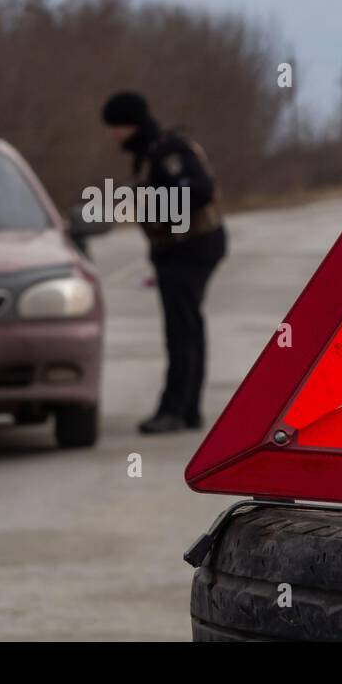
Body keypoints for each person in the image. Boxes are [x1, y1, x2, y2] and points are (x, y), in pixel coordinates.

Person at [101, 90, 227, 434]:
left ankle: (175, 409)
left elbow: (198, 189)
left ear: (129, 124)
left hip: (189, 249)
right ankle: (188, 410)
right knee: (189, 329)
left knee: (181, 331)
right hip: (180, 250)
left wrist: (163, 210)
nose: (113, 134)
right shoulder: (150, 152)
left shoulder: (167, 151)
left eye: (115, 126)